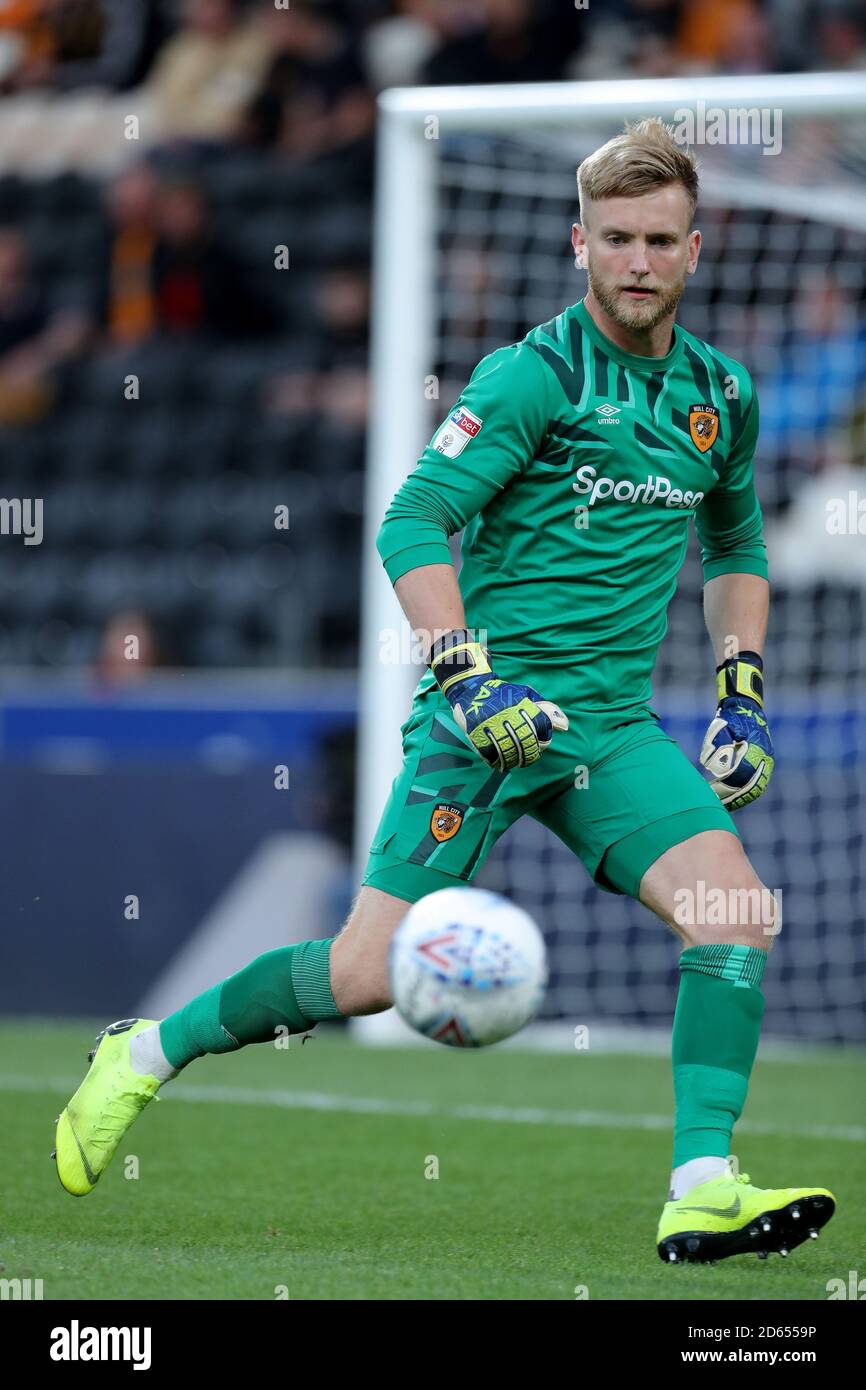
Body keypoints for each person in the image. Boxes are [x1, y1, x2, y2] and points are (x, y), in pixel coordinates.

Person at [53, 119, 835, 1266]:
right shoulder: (533, 373)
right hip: (484, 722)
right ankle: (143, 1052)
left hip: (607, 729)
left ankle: (699, 1183)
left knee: (734, 914)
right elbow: (414, 518)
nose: (635, 260)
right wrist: (463, 675)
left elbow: (735, 550)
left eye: (658, 240)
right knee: (364, 974)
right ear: (578, 243)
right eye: (614, 237)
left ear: (695, 250)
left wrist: (740, 692)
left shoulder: (719, 394)